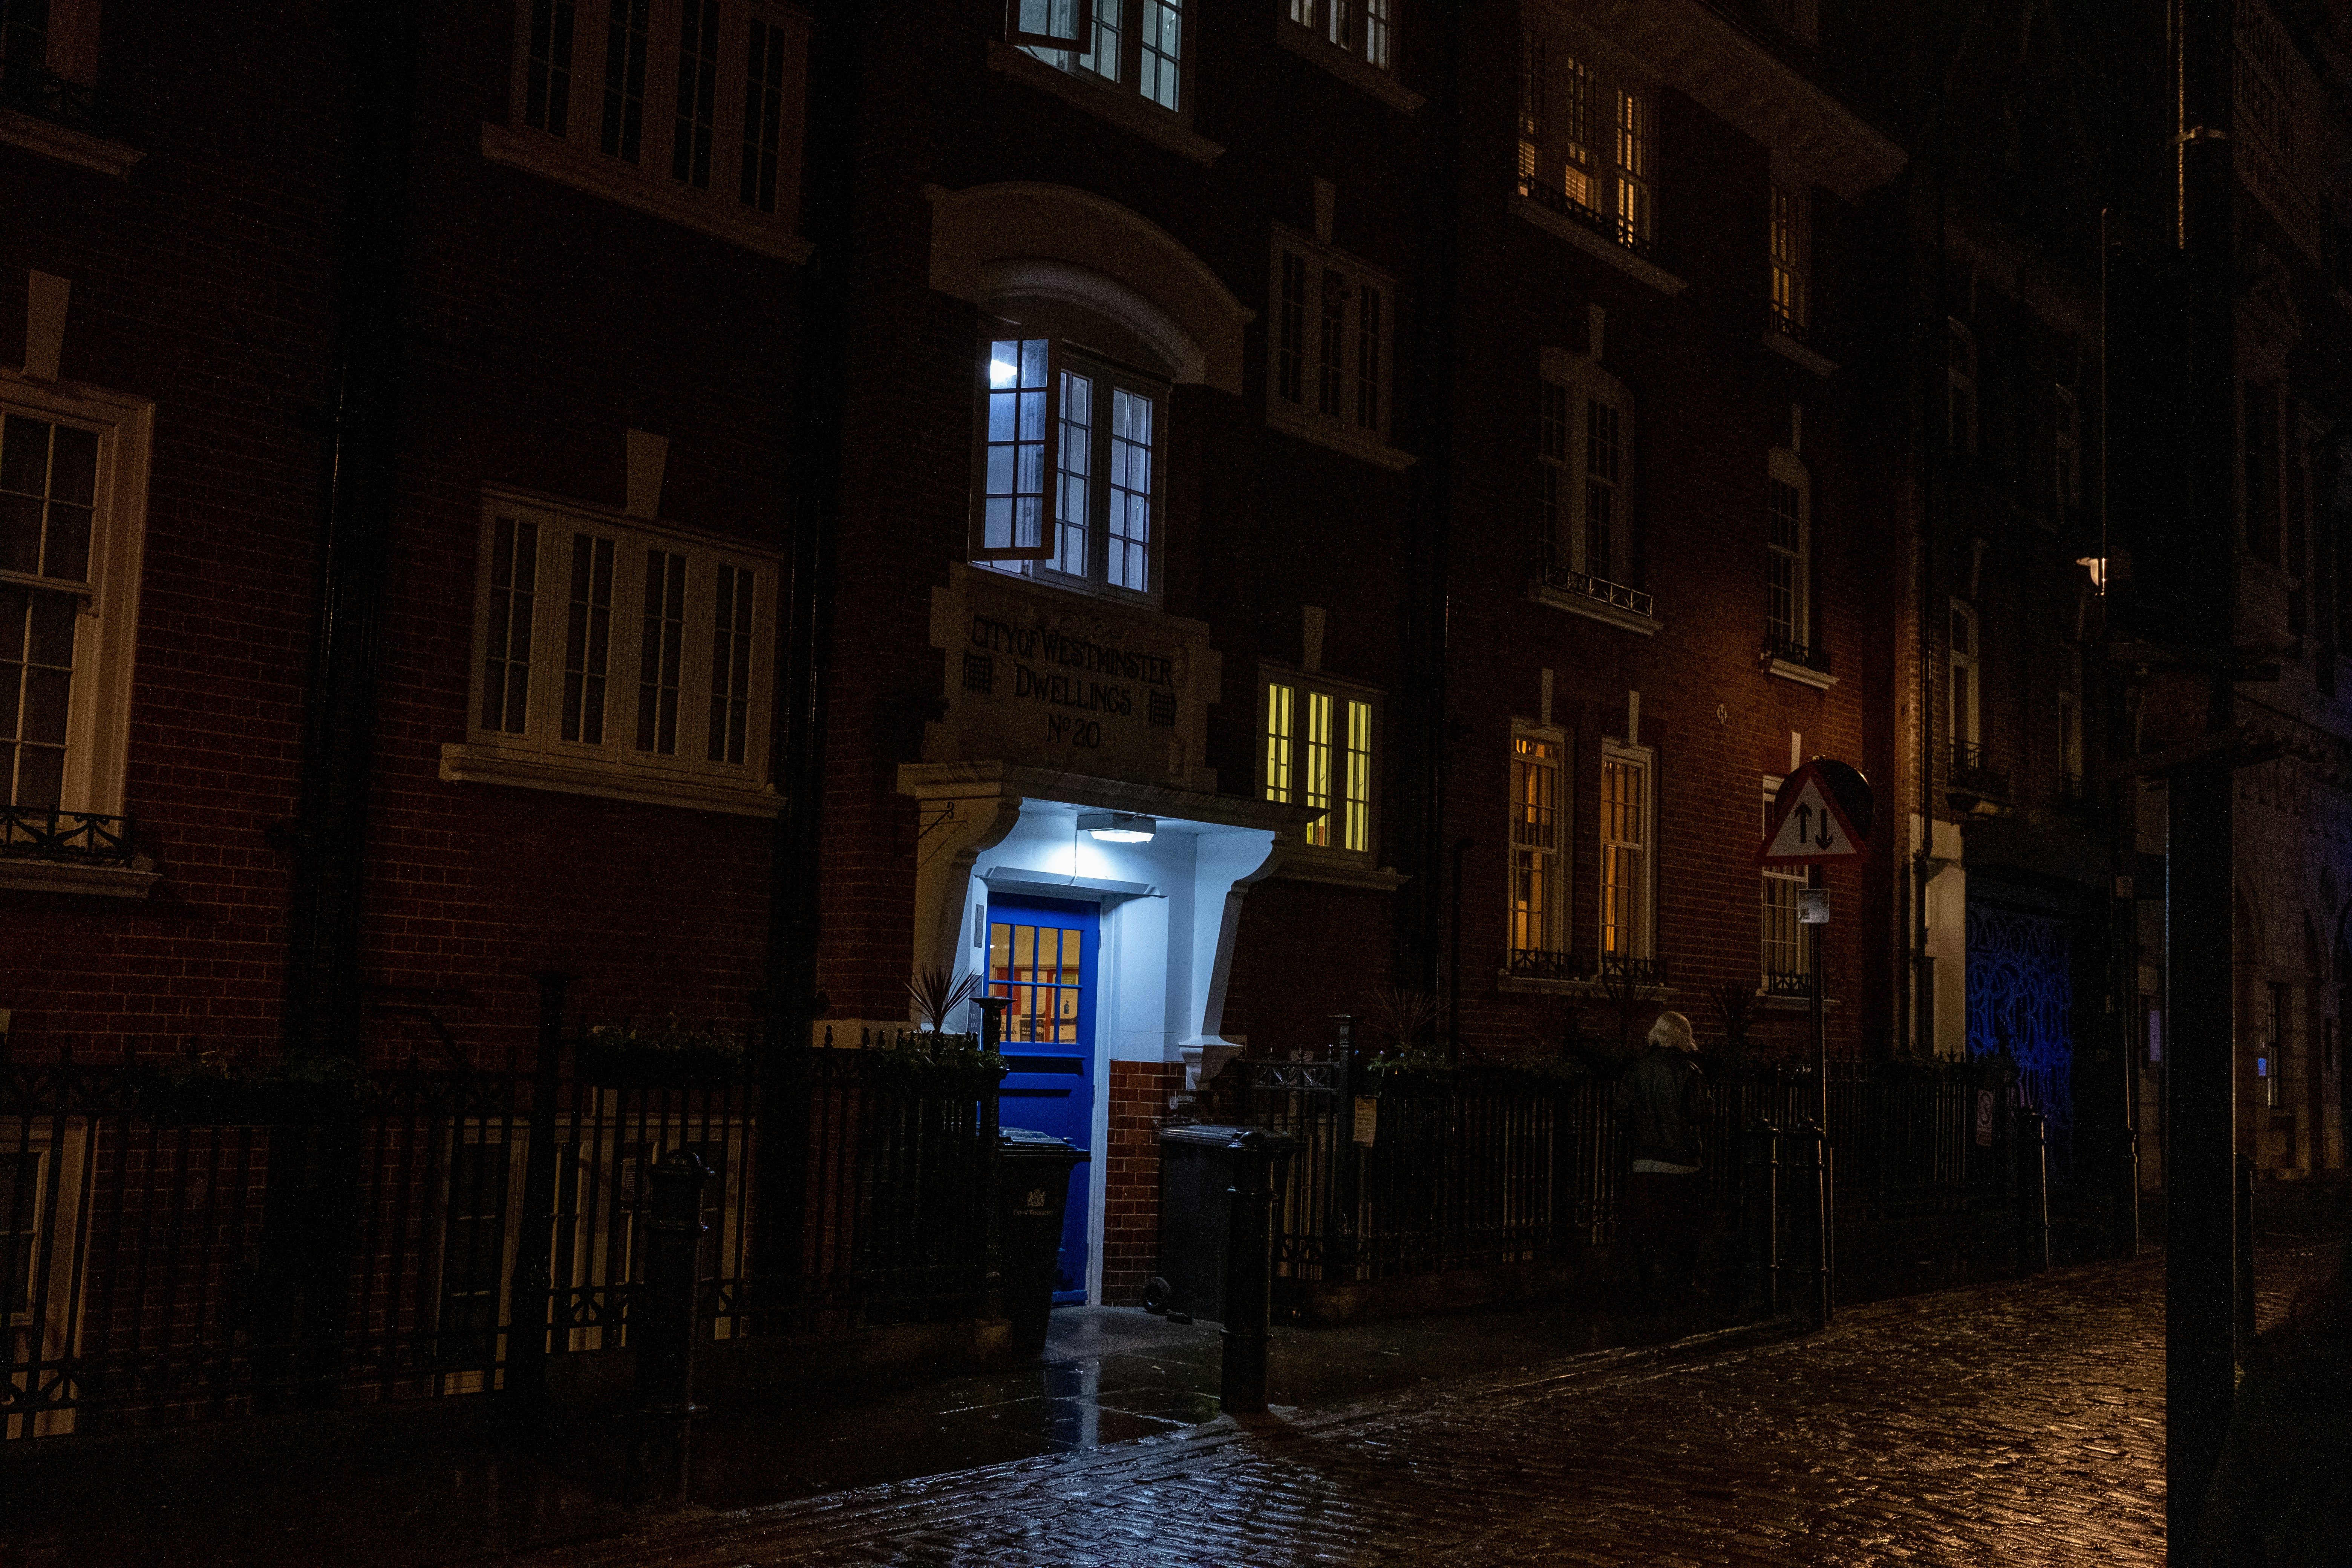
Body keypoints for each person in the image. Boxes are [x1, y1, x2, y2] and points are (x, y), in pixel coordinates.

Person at [1612, 1010, 1711, 1312]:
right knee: (1684, 1231)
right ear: (1684, 1038)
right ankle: (1682, 1287)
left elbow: (1623, 1113)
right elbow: (1700, 1114)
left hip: (1645, 1164)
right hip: (1683, 1164)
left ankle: (1648, 1288)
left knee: (1648, 1230)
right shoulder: (1691, 1072)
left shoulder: (1637, 1071)